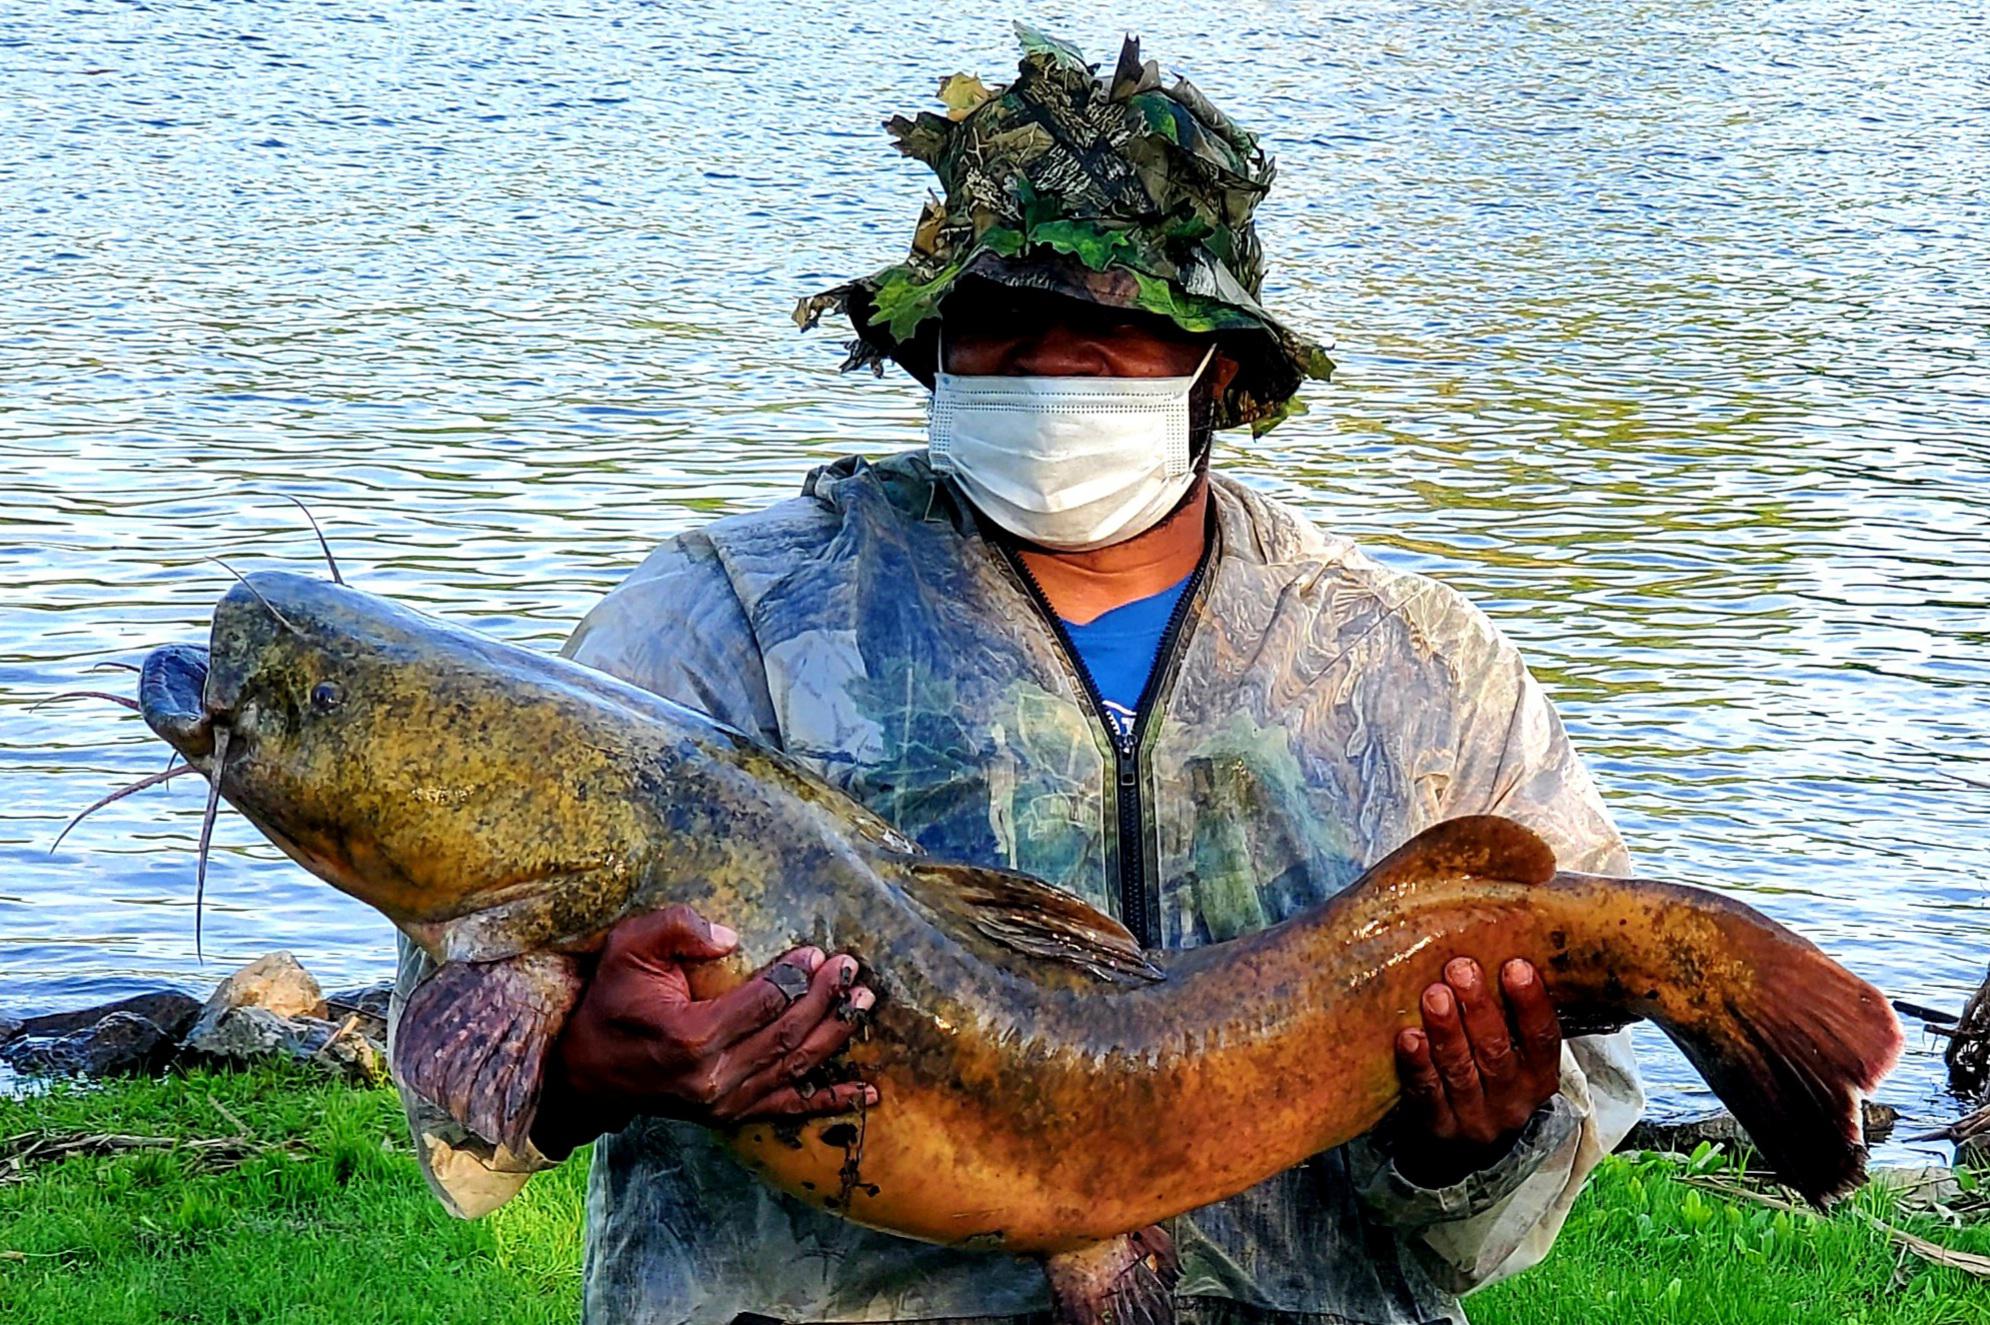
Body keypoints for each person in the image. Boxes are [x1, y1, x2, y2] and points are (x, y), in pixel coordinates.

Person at [389, 27, 1642, 1325]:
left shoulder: (1417, 668)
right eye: (998, 317)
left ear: (1222, 365)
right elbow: (462, 1084)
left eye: (1115, 319)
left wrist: (1473, 1142)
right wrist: (585, 1069)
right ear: (929, 341)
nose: (1053, 355)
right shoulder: (720, 625)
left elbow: (1552, 1143)